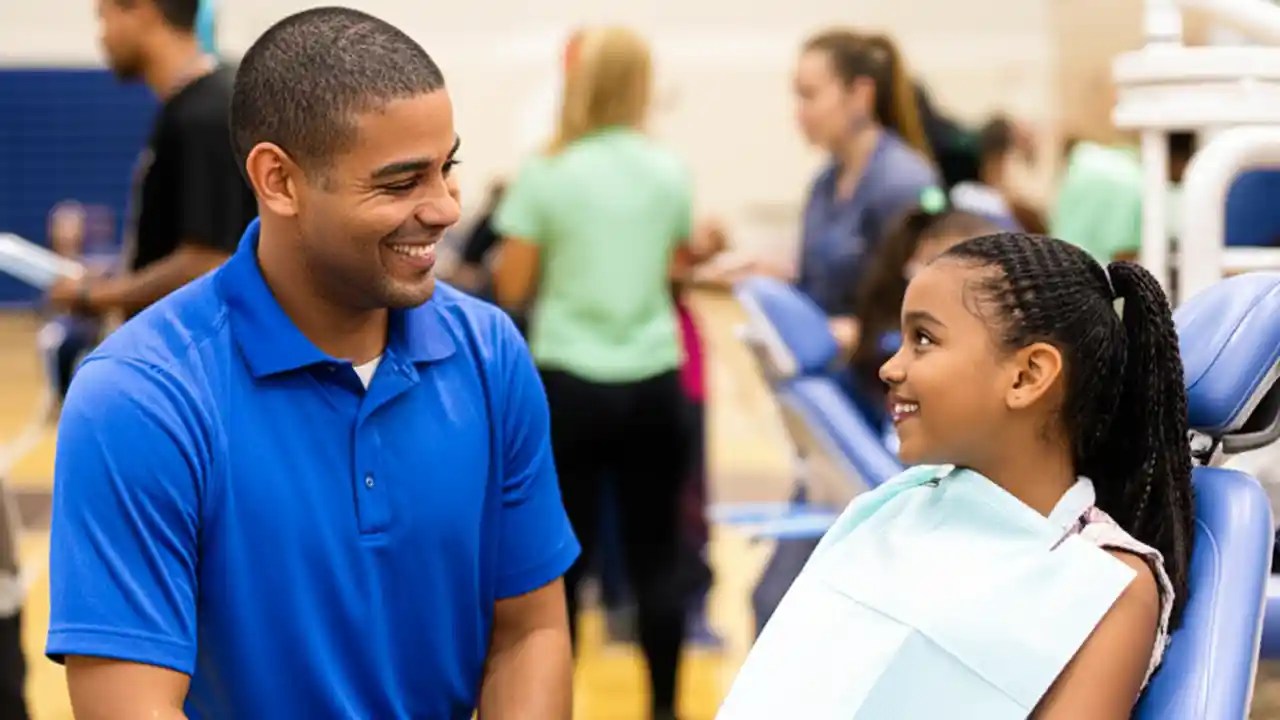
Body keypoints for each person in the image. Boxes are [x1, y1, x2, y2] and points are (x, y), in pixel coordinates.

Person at [47, 8, 578, 718]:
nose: (448, 207)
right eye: (400, 182)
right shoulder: (138, 399)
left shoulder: (490, 356)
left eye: (446, 167)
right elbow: (131, 705)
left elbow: (528, 631)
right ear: (280, 181)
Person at [723, 233, 1194, 718]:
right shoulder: (900, 507)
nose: (890, 368)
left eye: (923, 340)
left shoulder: (1105, 581)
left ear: (1027, 376)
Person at [492, 26, 695, 720]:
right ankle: (665, 709)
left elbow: (512, 283)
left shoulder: (549, 171)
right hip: (653, 381)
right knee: (657, 559)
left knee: (560, 569)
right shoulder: (669, 171)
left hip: (569, 388)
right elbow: (674, 269)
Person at [46, 0, 254, 321]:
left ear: (142, 12)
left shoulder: (205, 114)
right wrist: (117, 275)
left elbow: (207, 260)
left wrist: (94, 295)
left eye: (105, 19)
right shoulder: (193, 106)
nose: (102, 38)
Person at [786, 30, 939, 354]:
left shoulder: (904, 183)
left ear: (860, 94)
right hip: (835, 369)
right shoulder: (825, 183)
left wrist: (866, 334)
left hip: (888, 377)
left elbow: (935, 307)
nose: (799, 112)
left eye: (809, 95)